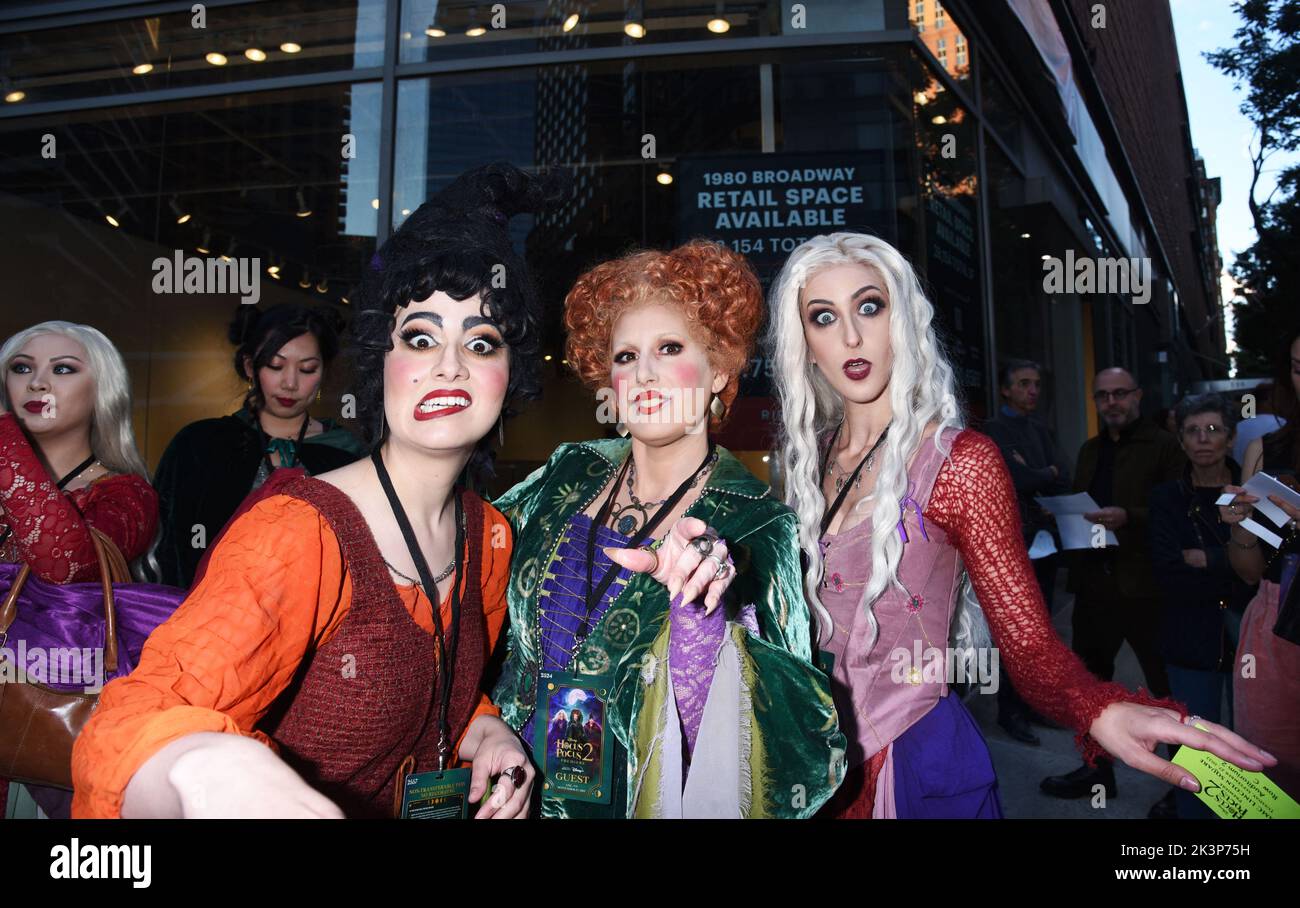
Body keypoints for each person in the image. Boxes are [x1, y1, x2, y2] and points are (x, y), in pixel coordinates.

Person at [71, 163, 564, 818]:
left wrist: (488, 733)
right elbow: (135, 722)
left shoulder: (491, 535)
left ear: (512, 373)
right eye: (420, 336)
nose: (450, 364)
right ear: (379, 359)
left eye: (481, 341)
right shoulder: (299, 531)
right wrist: (208, 770)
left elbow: (439, 694)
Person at [767, 232, 1274, 818]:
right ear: (804, 343)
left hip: (907, 762)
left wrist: (1097, 706)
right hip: (809, 758)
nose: (851, 336)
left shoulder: (961, 463)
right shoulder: (813, 461)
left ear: (902, 319)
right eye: (823, 317)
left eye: (870, 306)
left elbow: (1027, 641)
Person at [490, 240, 846, 819]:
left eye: (670, 348)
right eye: (625, 356)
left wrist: (700, 622)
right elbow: (472, 562)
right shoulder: (569, 471)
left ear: (719, 370)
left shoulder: (756, 525)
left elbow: (788, 740)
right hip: (508, 788)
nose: (644, 373)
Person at [0, 320, 161, 819]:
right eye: (21, 368)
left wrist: (4, 436)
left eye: (63, 369)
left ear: (102, 393)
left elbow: (64, 566)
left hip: (36, 720)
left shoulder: (125, 493)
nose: (37, 383)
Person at [1040, 366, 1186, 799]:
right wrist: (1063, 513)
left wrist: (1129, 517)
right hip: (1095, 588)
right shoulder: (1089, 450)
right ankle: (1096, 772)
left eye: (1120, 394)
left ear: (1137, 396)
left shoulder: (1163, 447)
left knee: (1167, 692)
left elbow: (1176, 511)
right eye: (1103, 396)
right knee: (1091, 688)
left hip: (1145, 589)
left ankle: (1186, 789)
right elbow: (1083, 506)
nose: (1112, 403)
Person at [152, 303, 365, 588]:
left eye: (307, 369)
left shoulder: (346, 455)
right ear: (250, 366)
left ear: (323, 372)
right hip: (207, 618)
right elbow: (166, 552)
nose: (290, 383)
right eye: (276, 366)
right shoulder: (199, 446)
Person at [1149, 392, 1255, 818]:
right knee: (1197, 748)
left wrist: (1206, 559)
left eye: (1213, 430)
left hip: (1249, 630)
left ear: (1231, 439)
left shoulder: (1250, 494)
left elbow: (1260, 570)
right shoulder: (1166, 498)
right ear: (1181, 441)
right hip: (1190, 635)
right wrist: (1227, 561)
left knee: (1254, 740)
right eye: (1193, 431)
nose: (1203, 439)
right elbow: (1167, 570)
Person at [1218, 326, 1300, 800]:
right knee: (1271, 781)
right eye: (1297, 367)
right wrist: (1240, 525)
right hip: (1277, 628)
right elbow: (1248, 570)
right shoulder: (1270, 451)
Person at [982, 358, 1071, 745]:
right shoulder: (994, 430)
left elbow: (1062, 476)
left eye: (1036, 384)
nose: (1032, 390)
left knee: (1041, 630)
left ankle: (1034, 703)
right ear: (1006, 389)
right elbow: (1019, 478)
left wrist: (1044, 475)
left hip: (1045, 543)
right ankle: (1010, 712)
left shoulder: (1040, 430)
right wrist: (1042, 473)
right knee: (1012, 633)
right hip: (1013, 544)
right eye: (1023, 384)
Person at [1232, 380, 1285, 465]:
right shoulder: (1282, 424)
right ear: (1269, 400)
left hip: (1239, 476)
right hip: (1271, 476)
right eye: (1279, 398)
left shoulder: (1238, 427)